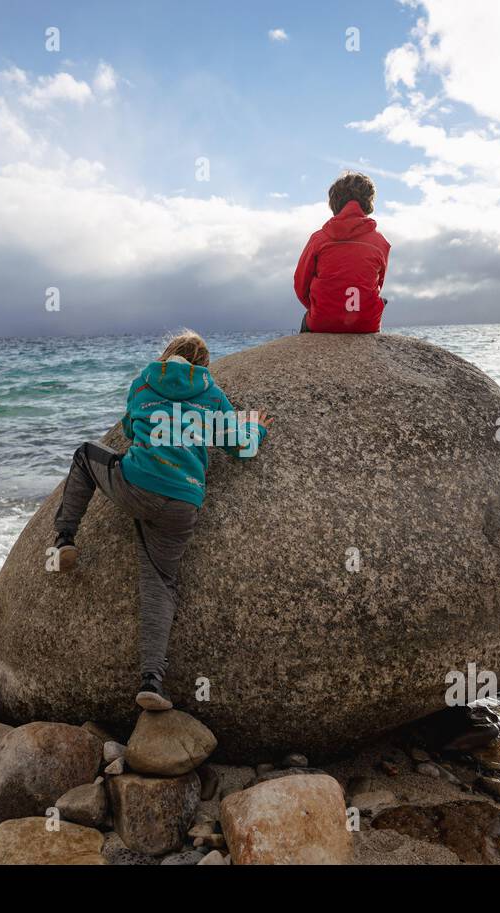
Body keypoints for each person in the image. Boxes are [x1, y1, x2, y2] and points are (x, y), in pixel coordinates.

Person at [49, 331, 273, 710]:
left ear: (167, 355)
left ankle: (64, 539)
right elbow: (241, 448)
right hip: (182, 501)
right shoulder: (211, 394)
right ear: (202, 364)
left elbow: (130, 429)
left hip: (135, 485)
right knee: (160, 584)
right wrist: (257, 428)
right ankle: (151, 680)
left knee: (86, 454)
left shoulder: (142, 383)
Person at [294, 171, 391, 333]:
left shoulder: (319, 238)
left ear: (335, 203)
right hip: (366, 324)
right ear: (368, 202)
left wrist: (320, 309)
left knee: (307, 321)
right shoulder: (381, 242)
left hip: (322, 321)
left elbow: (300, 284)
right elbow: (377, 283)